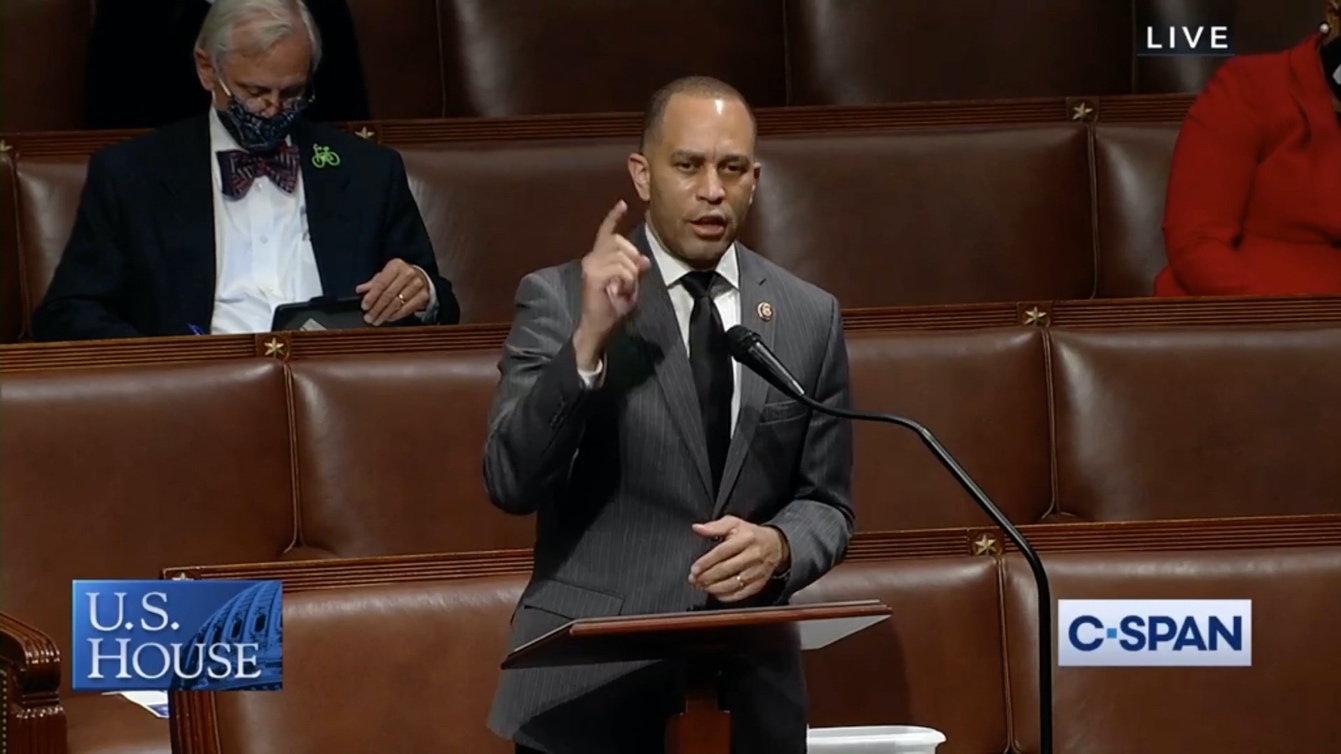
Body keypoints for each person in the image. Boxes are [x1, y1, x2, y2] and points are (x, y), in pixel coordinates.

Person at [482, 76, 854, 754]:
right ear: (643, 174)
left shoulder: (808, 317)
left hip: (750, 693)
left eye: (732, 168)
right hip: (591, 692)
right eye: (688, 165)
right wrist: (587, 345)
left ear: (754, 180)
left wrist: (779, 547)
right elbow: (510, 481)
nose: (712, 189)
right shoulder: (560, 298)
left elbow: (826, 502)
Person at [33, 0, 457, 341]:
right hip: (197, 397)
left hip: (341, 388)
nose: (272, 110)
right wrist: (165, 362)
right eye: (254, 92)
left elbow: (439, 300)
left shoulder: (369, 170)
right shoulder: (130, 175)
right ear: (206, 68)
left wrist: (422, 290)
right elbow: (67, 312)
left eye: (292, 93)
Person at [1155, 1, 1341, 297]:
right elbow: (1196, 240)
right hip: (1246, 320)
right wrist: (1280, 322)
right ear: (1334, 11)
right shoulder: (1250, 87)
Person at [84, 0, 372, 129]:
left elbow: (350, 127)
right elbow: (109, 134)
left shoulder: (322, 9)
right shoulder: (131, 12)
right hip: (170, 193)